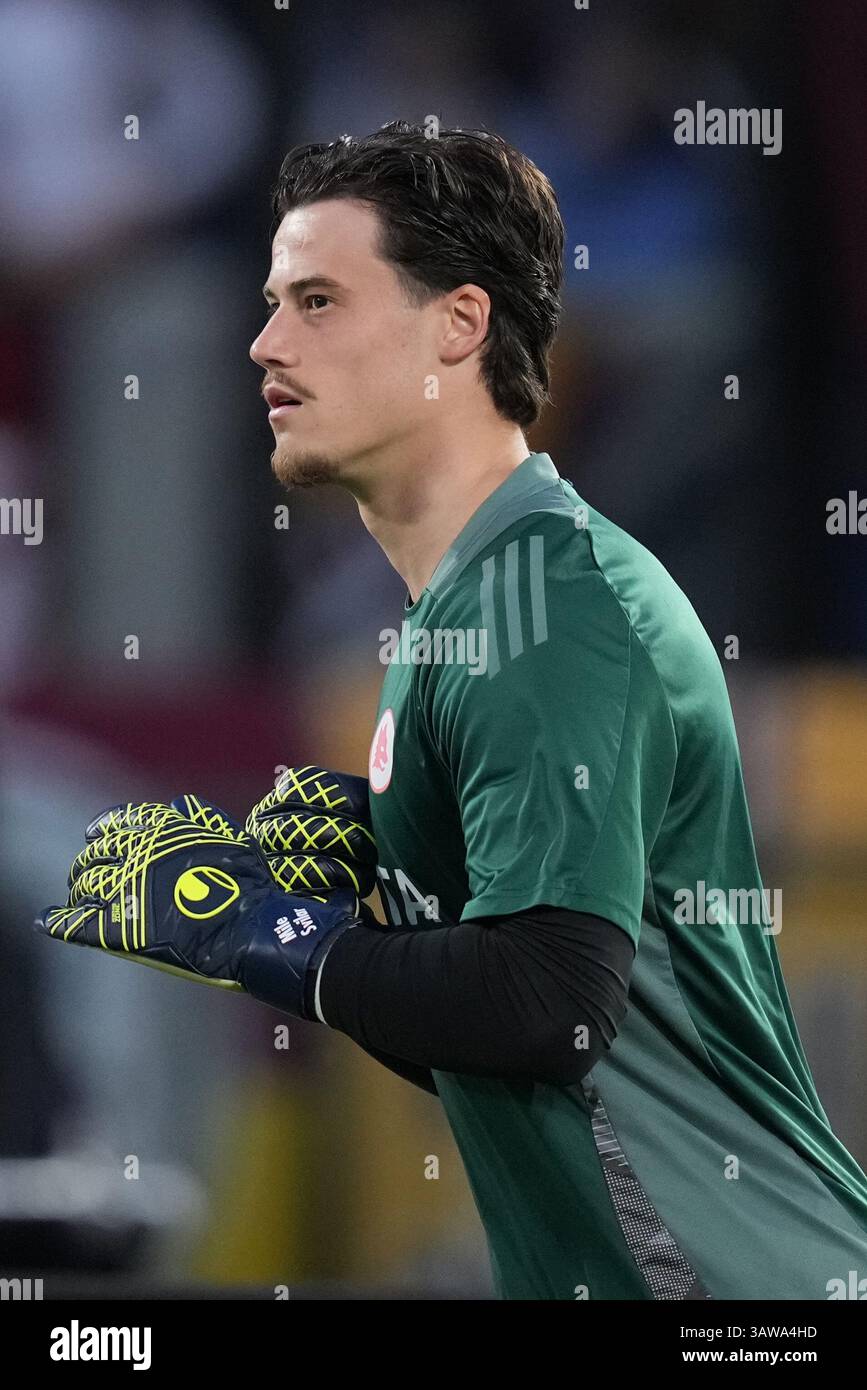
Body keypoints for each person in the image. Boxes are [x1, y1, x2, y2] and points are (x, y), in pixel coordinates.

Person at [38, 121, 867, 1301]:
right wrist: (364, 919)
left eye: (319, 300)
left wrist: (266, 934)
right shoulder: (478, 604)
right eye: (274, 301)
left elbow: (544, 1009)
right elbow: (541, 1046)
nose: (266, 341)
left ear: (459, 325)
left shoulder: (544, 607)